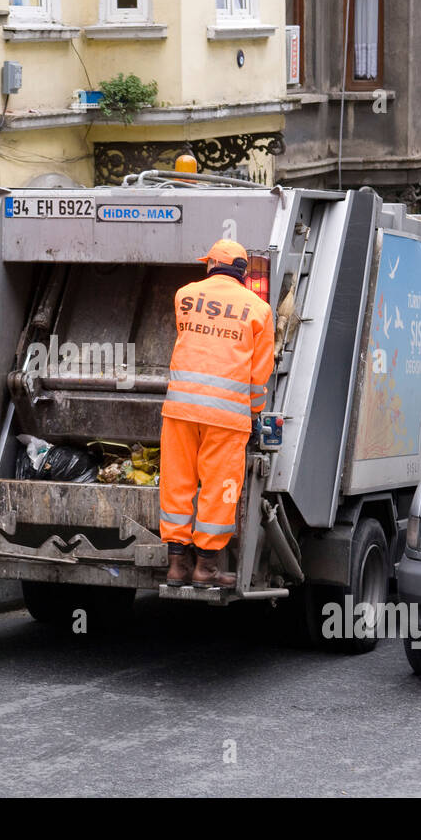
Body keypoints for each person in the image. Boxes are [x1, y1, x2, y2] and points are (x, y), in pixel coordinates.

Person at [160, 239, 274, 589]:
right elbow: (259, 373)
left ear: (211, 265)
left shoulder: (185, 295)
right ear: (242, 272)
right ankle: (206, 569)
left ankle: (177, 566)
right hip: (226, 417)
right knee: (218, 488)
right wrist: (253, 413)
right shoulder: (259, 309)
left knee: (177, 483)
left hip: (180, 408)